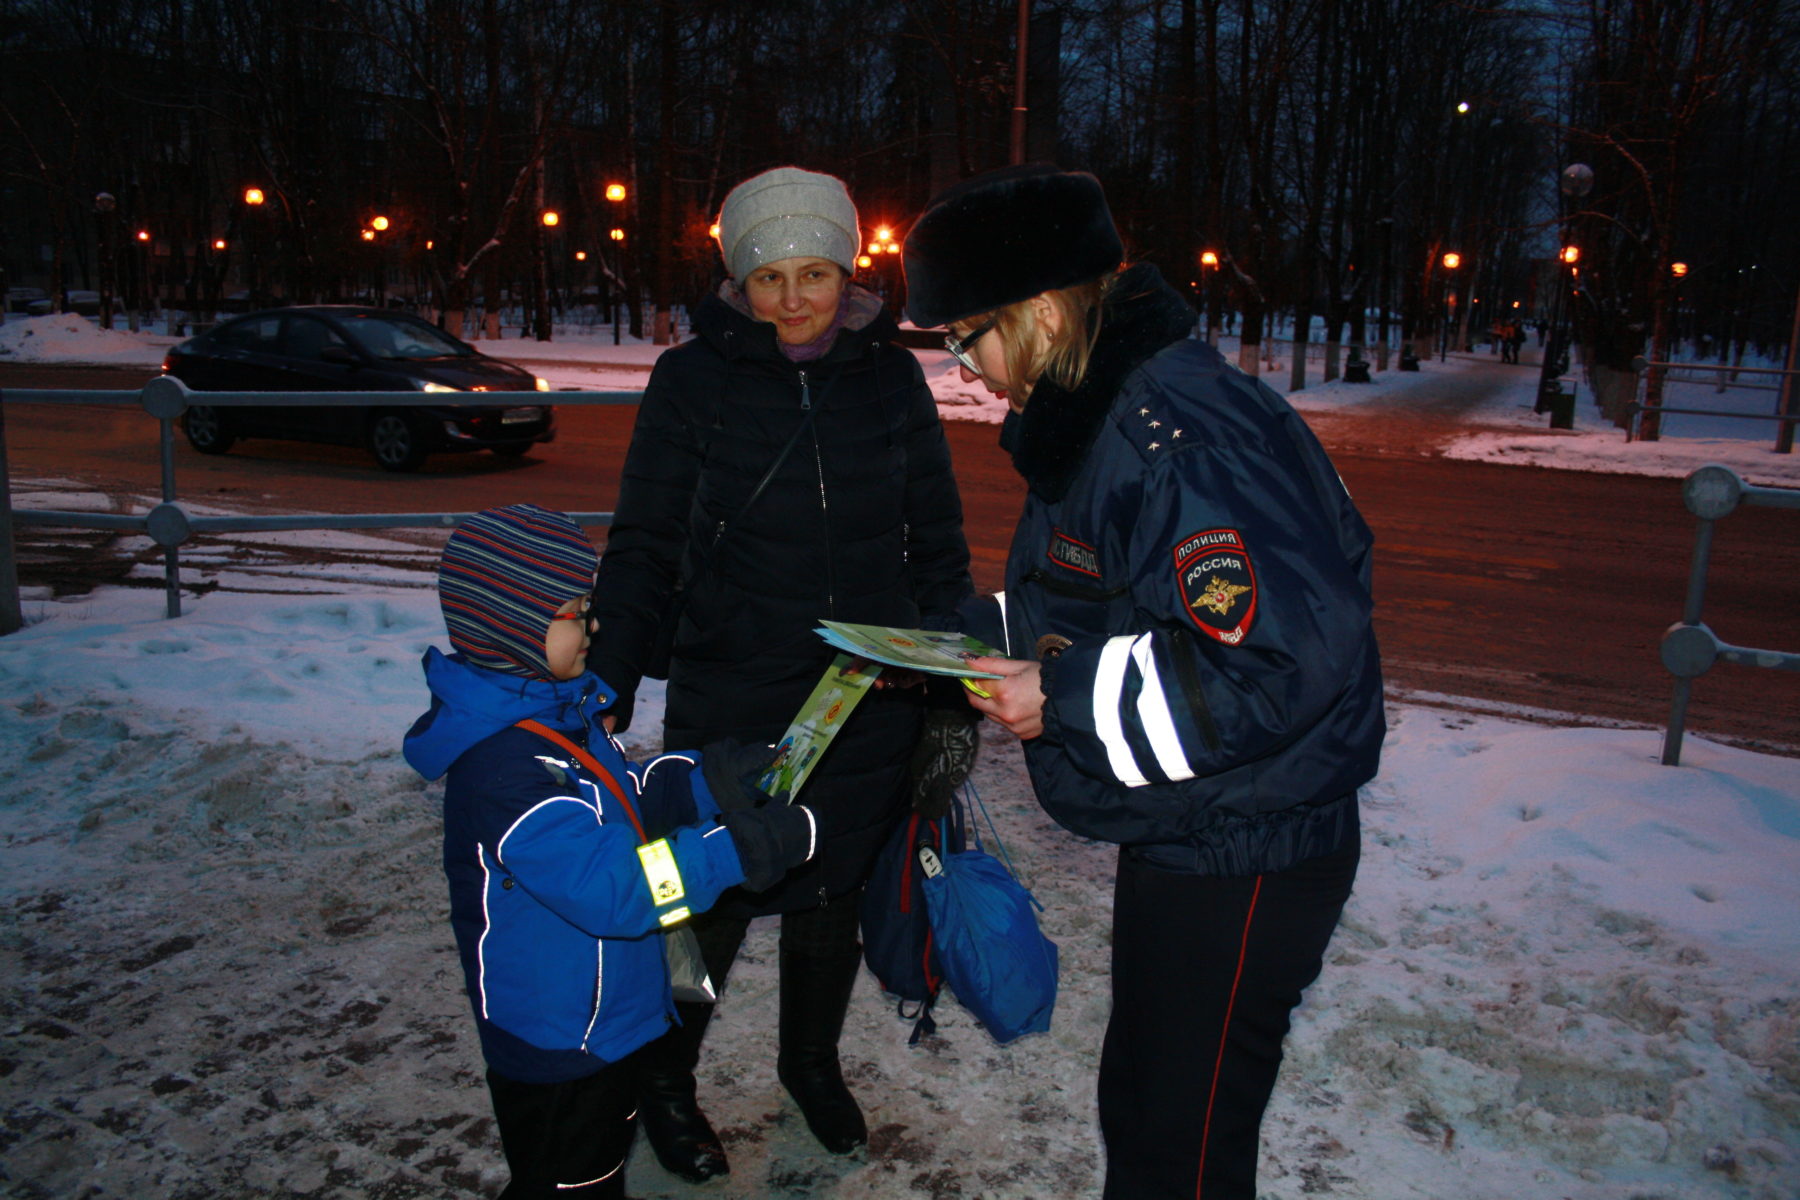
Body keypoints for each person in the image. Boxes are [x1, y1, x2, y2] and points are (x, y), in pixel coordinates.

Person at [901, 164, 1385, 1200]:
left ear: (1035, 311)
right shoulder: (1109, 418)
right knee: (1152, 1107)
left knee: (1181, 1140)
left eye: (964, 340)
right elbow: (1111, 604)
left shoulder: (1177, 433)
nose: (967, 372)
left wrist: (1060, 699)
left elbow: (1273, 660)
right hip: (1199, 825)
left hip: (1250, 844)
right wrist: (972, 641)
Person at [586, 167, 974, 1180]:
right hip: (734, 687)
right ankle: (665, 1079)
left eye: (815, 272)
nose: (795, 298)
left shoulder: (891, 380)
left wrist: (947, 681)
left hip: (864, 692)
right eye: (769, 276)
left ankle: (809, 1061)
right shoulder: (692, 382)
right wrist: (609, 679)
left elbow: (935, 539)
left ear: (849, 272)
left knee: (830, 889)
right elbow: (643, 542)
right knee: (704, 903)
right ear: (737, 279)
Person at [403, 503, 822, 1200]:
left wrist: (717, 781)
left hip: (605, 1014)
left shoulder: (559, 717)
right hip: (560, 1040)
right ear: (512, 624)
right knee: (574, 1180)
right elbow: (618, 888)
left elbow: (627, 800)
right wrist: (739, 849)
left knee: (581, 1172)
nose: (592, 624)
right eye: (573, 611)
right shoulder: (506, 770)